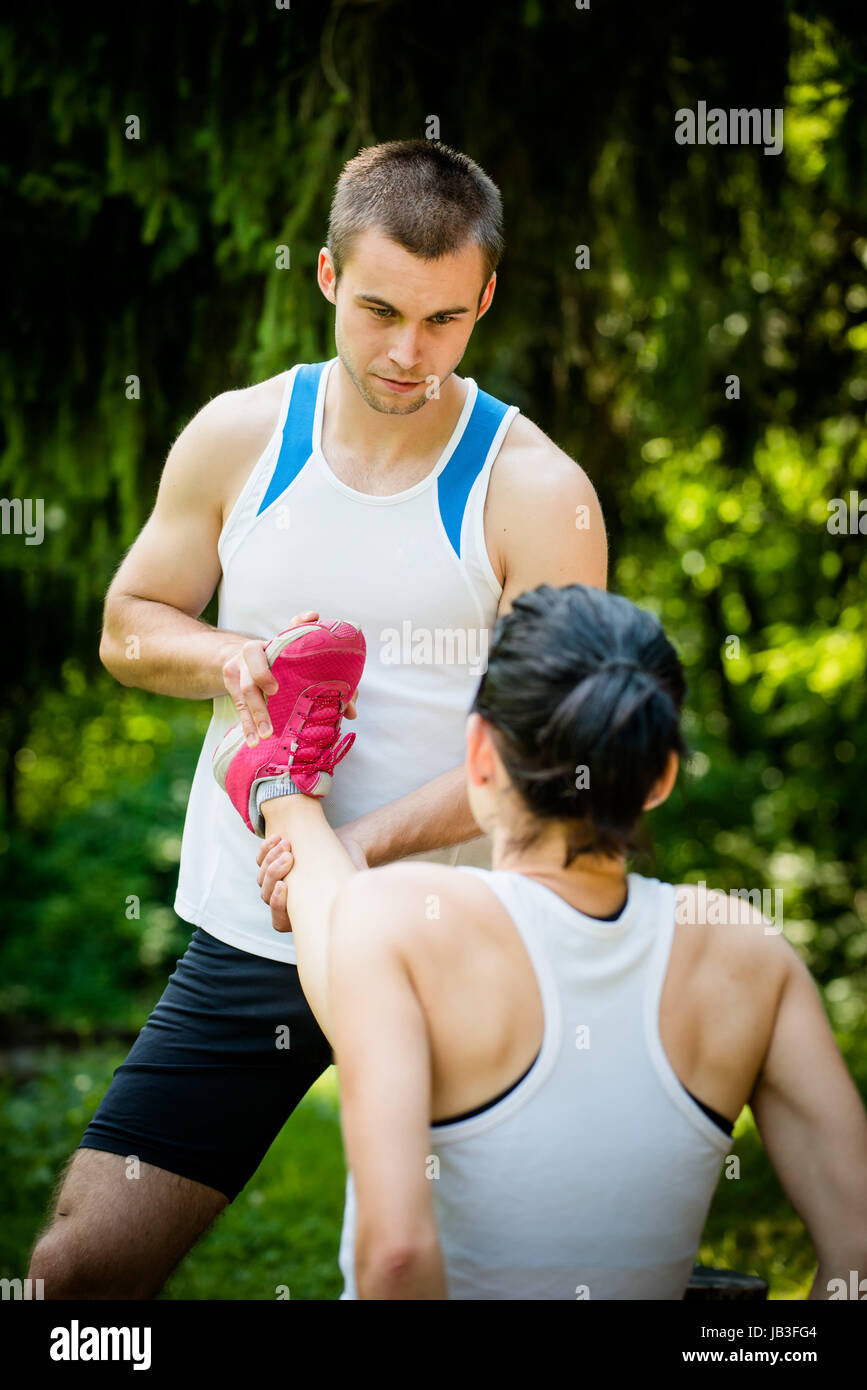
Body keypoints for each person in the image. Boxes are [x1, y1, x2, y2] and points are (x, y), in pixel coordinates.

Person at [28, 139, 606, 1298]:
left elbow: (551, 752)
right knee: (75, 1275)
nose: (408, 353)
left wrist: (348, 851)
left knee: (454, 1282)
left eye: (445, 321)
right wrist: (238, 657)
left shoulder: (538, 489)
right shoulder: (241, 436)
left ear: (486, 299)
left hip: (459, 935)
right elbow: (129, 623)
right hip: (257, 935)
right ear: (330, 277)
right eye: (382, 307)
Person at [237, 584, 867, 1300]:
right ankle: (279, 785)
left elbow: (397, 1259)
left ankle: (278, 783)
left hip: (374, 926)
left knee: (354, 919)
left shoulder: (399, 916)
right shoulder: (748, 952)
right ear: (659, 778)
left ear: (479, 755)